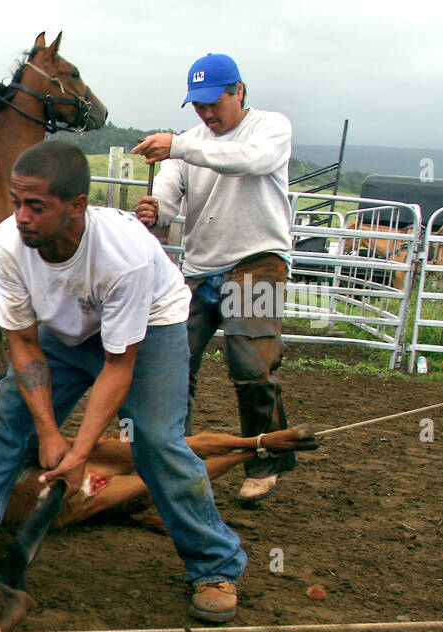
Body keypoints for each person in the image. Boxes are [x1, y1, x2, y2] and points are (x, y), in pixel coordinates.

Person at [0, 141, 247, 623]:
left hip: (149, 328)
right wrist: (45, 431)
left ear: (77, 206)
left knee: (155, 440)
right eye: (17, 202)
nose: (21, 217)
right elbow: (23, 343)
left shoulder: (121, 257)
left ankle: (215, 563)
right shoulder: (7, 246)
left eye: (36, 206)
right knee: (4, 427)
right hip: (62, 331)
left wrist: (78, 455)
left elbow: (118, 365)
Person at [133, 53, 296, 506]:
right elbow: (168, 189)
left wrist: (179, 145)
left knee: (249, 363)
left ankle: (265, 457)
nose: (206, 113)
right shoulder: (188, 145)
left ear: (238, 91)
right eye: (198, 105)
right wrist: (157, 209)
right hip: (201, 270)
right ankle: (174, 458)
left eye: (214, 103)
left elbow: (251, 161)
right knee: (170, 359)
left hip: (261, 261)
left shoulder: (271, 128)